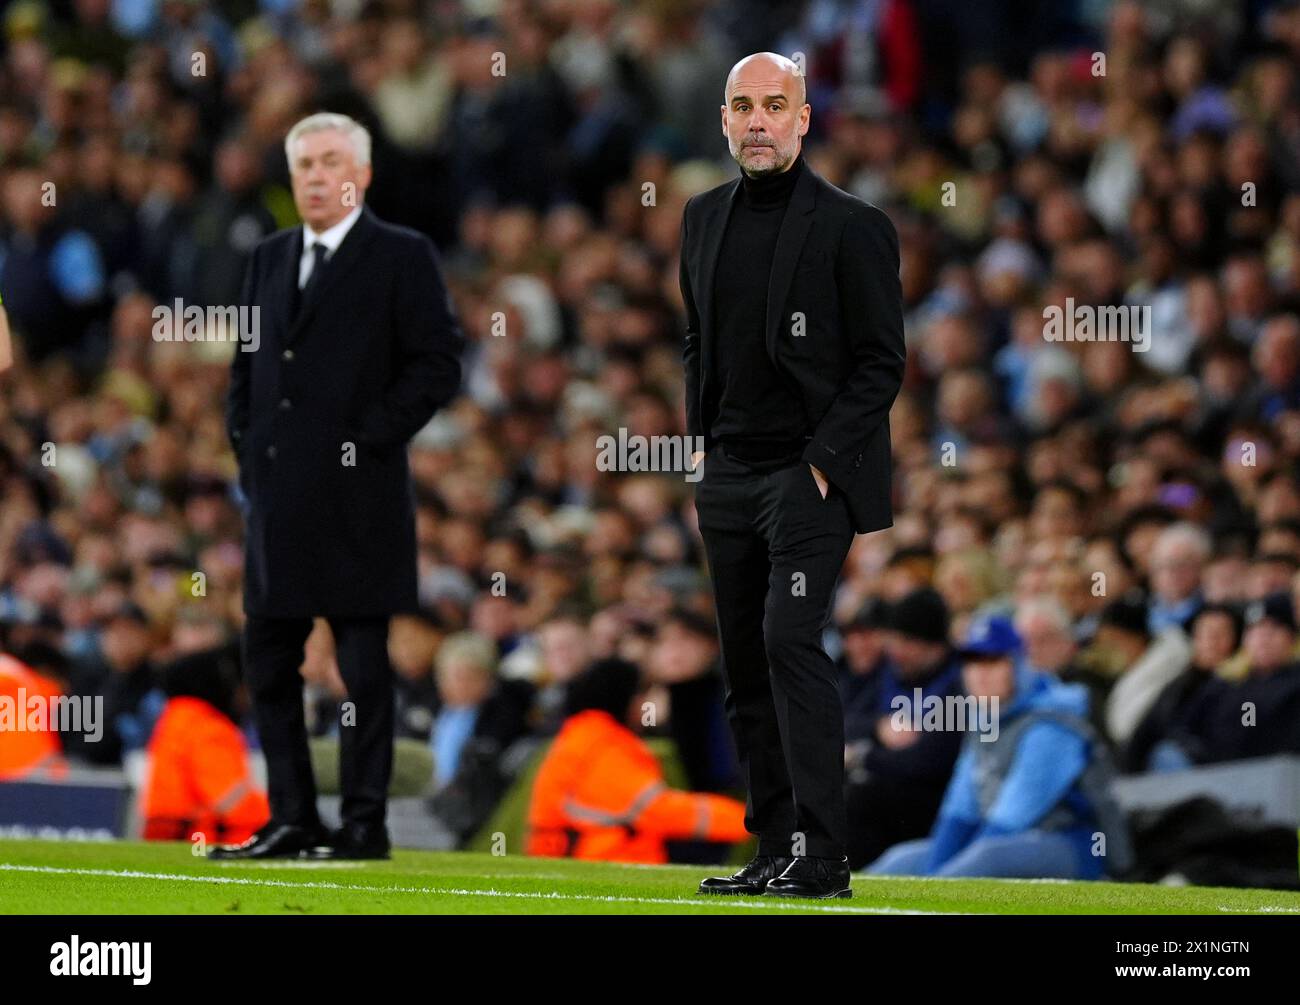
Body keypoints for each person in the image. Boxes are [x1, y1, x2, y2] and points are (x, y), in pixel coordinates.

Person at [213, 112, 464, 861]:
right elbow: (245, 367)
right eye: (304, 166)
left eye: (330, 162)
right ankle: (292, 816)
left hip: (361, 499)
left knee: (362, 666)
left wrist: (367, 436)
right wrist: (247, 448)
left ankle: (362, 824)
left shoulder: (401, 254)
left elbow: (437, 364)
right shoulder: (267, 256)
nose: (317, 178)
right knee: (267, 660)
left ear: (363, 173)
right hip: (277, 500)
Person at [683, 52, 905, 899]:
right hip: (729, 474)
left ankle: (825, 853)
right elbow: (698, 339)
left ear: (805, 119)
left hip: (807, 476)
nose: (758, 121)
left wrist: (820, 465)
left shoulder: (853, 224)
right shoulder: (702, 217)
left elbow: (883, 361)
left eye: (776, 105)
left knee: (787, 641)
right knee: (744, 664)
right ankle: (774, 844)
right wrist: (701, 442)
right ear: (725, 118)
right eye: (743, 106)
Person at [868, 615, 1133, 880]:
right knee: (902, 860)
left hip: (1074, 843)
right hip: (999, 841)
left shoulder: (1053, 722)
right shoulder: (984, 717)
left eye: (992, 662)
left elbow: (1015, 814)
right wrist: (935, 866)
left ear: (1018, 666)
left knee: (984, 860)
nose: (980, 674)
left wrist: (934, 881)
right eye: (972, 663)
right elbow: (961, 806)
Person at [525, 658, 748, 863]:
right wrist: (748, 821)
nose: (645, 704)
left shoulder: (586, 734)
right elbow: (657, 810)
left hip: (573, 853)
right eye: (641, 694)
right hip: (596, 856)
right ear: (622, 697)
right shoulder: (601, 744)